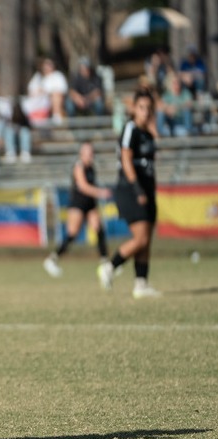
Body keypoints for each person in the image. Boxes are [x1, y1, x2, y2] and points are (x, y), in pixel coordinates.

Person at [98, 88, 160, 298]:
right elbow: (126, 160)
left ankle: (141, 284)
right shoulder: (130, 129)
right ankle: (110, 266)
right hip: (131, 190)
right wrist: (137, 188)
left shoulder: (147, 133)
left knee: (146, 240)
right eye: (141, 107)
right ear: (134, 108)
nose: (145, 112)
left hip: (148, 190)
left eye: (149, 108)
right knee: (140, 238)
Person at [43, 141, 111, 278]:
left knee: (99, 229)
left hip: (90, 203)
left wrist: (96, 198)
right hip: (78, 203)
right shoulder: (78, 167)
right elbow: (83, 186)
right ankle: (52, 259)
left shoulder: (92, 168)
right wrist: (100, 192)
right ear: (82, 154)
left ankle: (105, 262)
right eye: (88, 153)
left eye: (92, 153)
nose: (91, 155)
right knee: (72, 234)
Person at [25, 58, 69, 125]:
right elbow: (31, 90)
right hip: (38, 101)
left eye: (49, 65)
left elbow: (62, 90)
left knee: (55, 96)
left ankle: (56, 116)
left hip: (51, 101)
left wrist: (45, 91)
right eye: (45, 65)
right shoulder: (38, 77)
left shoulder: (57, 76)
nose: (47, 67)